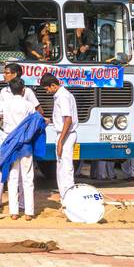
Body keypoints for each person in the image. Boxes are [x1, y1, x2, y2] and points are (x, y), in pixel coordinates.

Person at [0, 77, 39, 219]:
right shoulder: (29, 106)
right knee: (27, 178)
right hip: (25, 144)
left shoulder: (5, 104)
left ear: (10, 90)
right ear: (23, 90)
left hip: (10, 143)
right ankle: (29, 212)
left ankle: (13, 212)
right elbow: (35, 122)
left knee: (12, 177)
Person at [40, 72, 79, 202]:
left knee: (66, 168)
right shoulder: (61, 95)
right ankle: (65, 197)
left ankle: (69, 197)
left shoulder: (63, 96)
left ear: (53, 85)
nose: (46, 92)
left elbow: (68, 119)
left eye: (47, 89)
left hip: (66, 135)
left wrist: (61, 141)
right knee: (61, 167)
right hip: (64, 134)